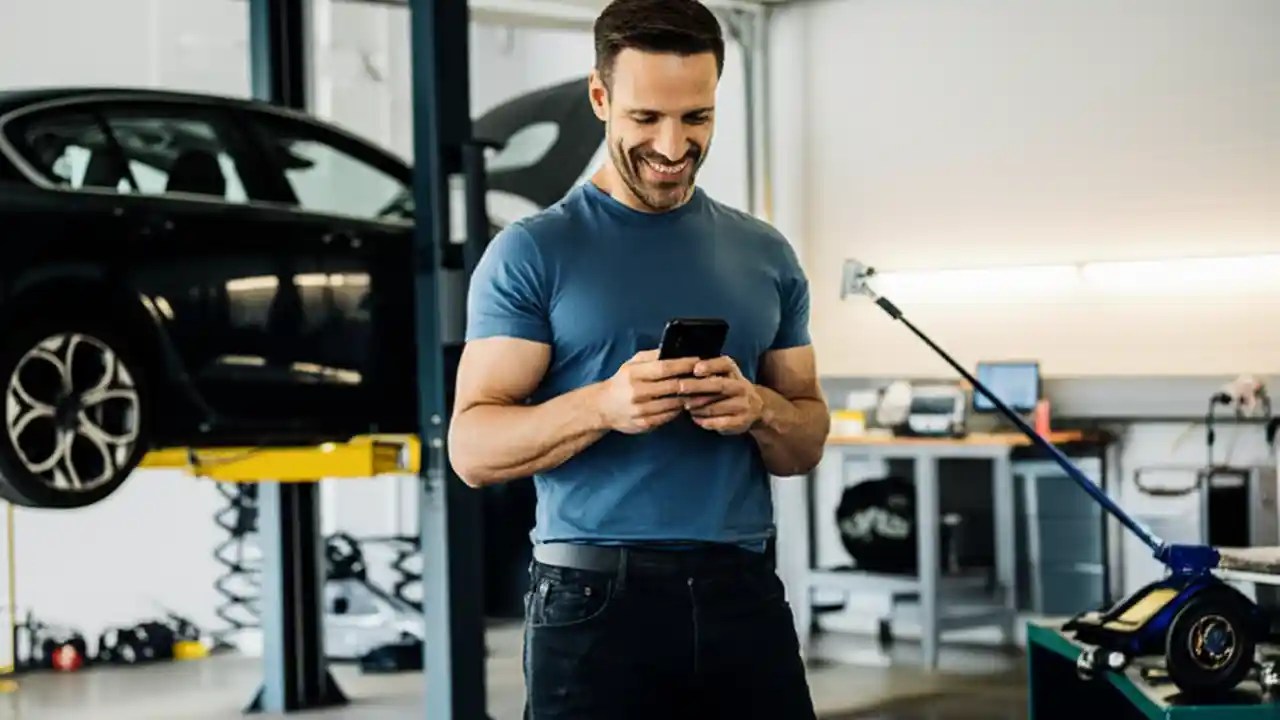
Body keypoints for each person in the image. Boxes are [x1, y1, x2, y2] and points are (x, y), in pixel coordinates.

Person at [448, 0, 829, 716]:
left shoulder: (765, 253)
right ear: (600, 97)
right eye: (646, 118)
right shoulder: (534, 252)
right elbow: (472, 448)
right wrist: (602, 405)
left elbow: (804, 442)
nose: (674, 144)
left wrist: (760, 410)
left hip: (742, 590)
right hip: (593, 601)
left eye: (697, 118)